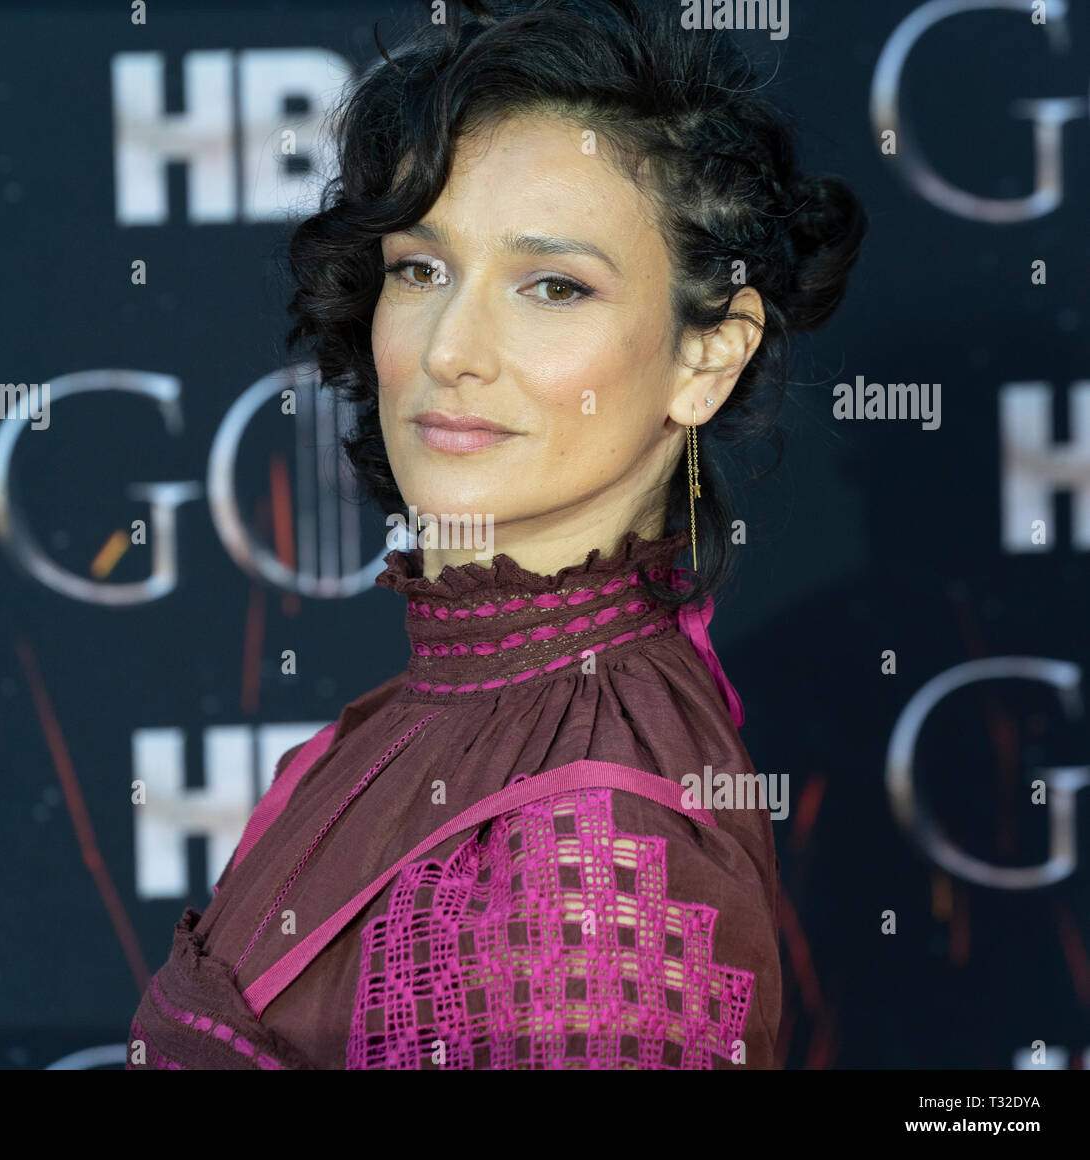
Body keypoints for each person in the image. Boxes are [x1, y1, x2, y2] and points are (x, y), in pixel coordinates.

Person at [127, 0, 865, 1070]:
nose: (452, 349)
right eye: (421, 269)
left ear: (706, 356)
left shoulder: (602, 847)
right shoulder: (416, 713)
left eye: (552, 286)